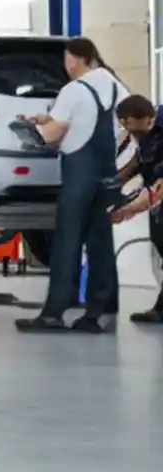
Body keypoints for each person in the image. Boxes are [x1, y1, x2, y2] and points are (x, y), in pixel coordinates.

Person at [15, 37, 128, 334]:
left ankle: (54, 313)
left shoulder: (73, 89)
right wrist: (50, 119)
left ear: (74, 58)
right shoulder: (115, 85)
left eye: (66, 59)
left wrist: (34, 130)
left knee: (67, 241)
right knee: (101, 243)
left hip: (79, 174)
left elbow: (53, 134)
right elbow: (118, 125)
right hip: (107, 174)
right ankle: (97, 313)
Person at [108, 94, 163, 323]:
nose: (139, 135)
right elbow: (138, 163)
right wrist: (111, 183)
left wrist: (127, 211)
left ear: (151, 119)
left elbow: (159, 189)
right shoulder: (143, 136)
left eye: (142, 129)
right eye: (133, 131)